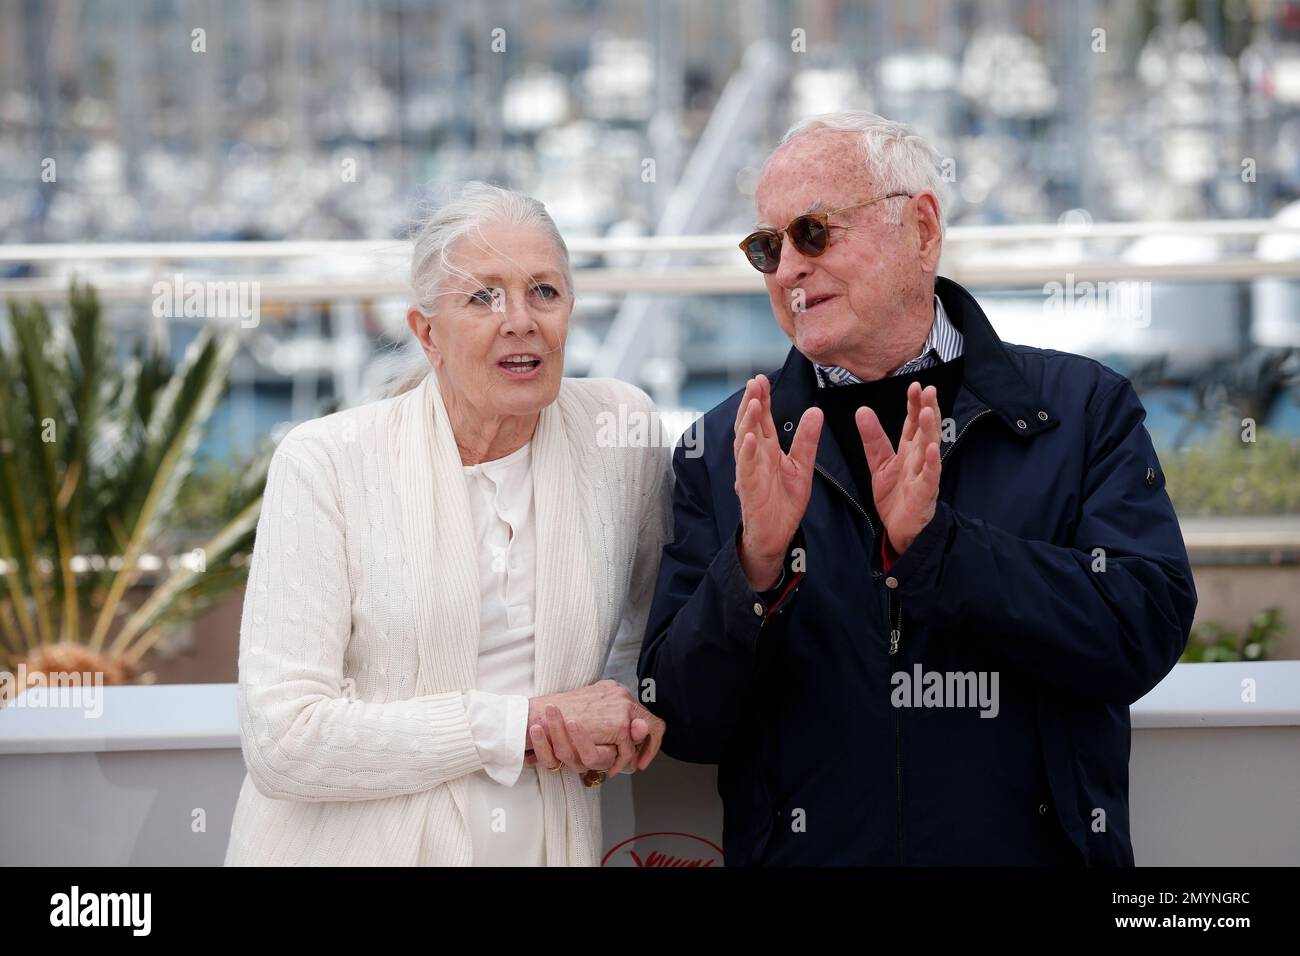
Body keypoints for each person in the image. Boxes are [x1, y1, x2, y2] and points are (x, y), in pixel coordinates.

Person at [639, 112, 1197, 866]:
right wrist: (755, 568)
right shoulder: (724, 445)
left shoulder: (1080, 408)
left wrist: (941, 553)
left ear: (922, 230)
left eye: (813, 232)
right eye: (767, 248)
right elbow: (684, 719)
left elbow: (1144, 629)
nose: (786, 271)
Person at [225, 182, 670, 866]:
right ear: (426, 333)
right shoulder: (324, 463)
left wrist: (613, 720)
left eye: (544, 292)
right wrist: (526, 724)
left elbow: (647, 637)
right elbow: (284, 741)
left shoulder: (621, 432)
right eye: (484, 296)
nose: (520, 319)